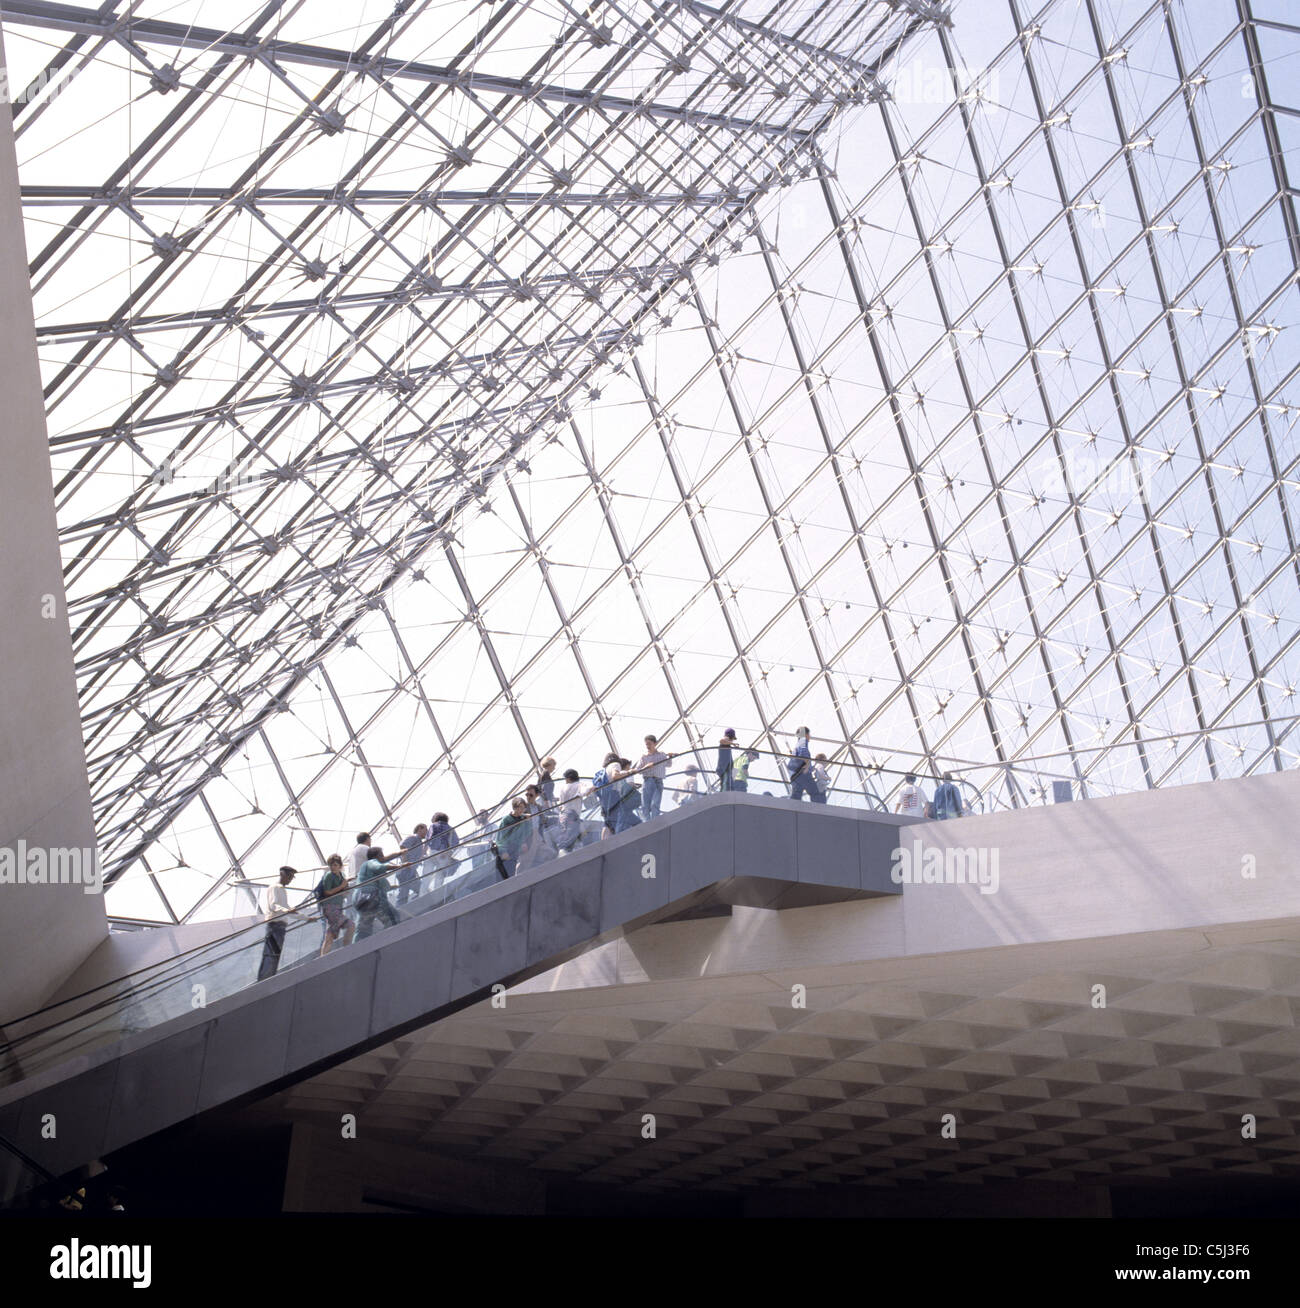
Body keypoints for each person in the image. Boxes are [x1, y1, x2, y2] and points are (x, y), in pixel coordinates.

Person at [257, 866, 299, 980]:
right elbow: (273, 905)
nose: (290, 879)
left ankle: (270, 978)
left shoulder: (282, 889)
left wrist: (305, 918)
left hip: (280, 926)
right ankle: (264, 979)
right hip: (274, 925)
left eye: (292, 877)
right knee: (270, 954)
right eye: (289, 876)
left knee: (275, 954)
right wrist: (287, 910)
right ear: (282, 874)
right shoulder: (274, 887)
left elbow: (285, 908)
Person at [354, 846, 401, 939]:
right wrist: (398, 866)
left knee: (363, 928)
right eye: (382, 856)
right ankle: (386, 939)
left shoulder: (368, 873)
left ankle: (356, 947)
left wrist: (392, 887)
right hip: (370, 897)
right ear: (376, 857)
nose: (383, 858)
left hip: (360, 899)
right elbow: (378, 867)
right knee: (393, 917)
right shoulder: (370, 863)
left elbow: (385, 886)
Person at [314, 854, 355, 956]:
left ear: (340, 865)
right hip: (330, 907)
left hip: (338, 907)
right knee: (351, 925)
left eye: (335, 865)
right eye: (331, 865)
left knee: (330, 935)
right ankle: (347, 949)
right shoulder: (329, 876)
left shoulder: (341, 876)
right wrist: (342, 886)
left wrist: (345, 887)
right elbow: (327, 892)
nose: (333, 867)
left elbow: (343, 892)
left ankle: (322, 957)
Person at [494, 798, 530, 876]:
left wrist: (528, 820)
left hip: (515, 852)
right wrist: (503, 852)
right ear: (514, 807)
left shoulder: (523, 818)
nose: (522, 810)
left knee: (513, 874)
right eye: (520, 807)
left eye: (523, 808)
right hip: (505, 853)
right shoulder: (506, 820)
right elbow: (500, 838)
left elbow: (527, 832)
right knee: (504, 877)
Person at [637, 735, 670, 820]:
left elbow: (669, 764)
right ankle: (647, 824)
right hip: (648, 780)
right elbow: (638, 770)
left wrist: (670, 757)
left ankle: (654, 823)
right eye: (646, 744)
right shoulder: (644, 757)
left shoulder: (661, 755)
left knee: (655, 804)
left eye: (649, 744)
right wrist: (646, 767)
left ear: (655, 743)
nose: (647, 746)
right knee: (645, 805)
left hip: (658, 781)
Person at [590, 752, 622, 838]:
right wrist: (629, 773)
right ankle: (607, 842)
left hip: (603, 797)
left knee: (608, 821)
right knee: (613, 819)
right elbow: (615, 776)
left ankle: (605, 841)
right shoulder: (616, 764)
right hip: (613, 794)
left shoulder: (605, 769)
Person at [397, 822, 428, 906]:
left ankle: (403, 909)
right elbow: (402, 846)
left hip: (409, 871)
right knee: (420, 890)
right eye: (425, 829)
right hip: (406, 870)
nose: (427, 832)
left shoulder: (419, 842)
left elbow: (421, 855)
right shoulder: (413, 837)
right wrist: (406, 862)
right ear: (419, 829)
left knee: (404, 894)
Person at [787, 727, 822, 802]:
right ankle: (818, 809)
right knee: (815, 793)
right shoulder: (803, 744)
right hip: (803, 773)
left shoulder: (797, 745)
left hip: (795, 774)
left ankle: (792, 807)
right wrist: (806, 768)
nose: (810, 736)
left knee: (796, 794)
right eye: (809, 734)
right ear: (805, 735)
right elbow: (803, 755)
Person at [426, 812, 459, 886]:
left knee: (427, 874)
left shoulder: (433, 826)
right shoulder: (450, 828)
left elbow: (428, 839)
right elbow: (456, 842)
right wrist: (448, 853)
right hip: (444, 854)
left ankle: (424, 891)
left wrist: (425, 852)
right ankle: (437, 890)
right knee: (440, 874)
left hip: (432, 853)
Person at [556, 768, 585, 851]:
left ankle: (562, 853)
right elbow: (585, 791)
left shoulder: (563, 788)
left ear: (568, 778)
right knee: (574, 837)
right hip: (573, 815)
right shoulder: (579, 785)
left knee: (564, 836)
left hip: (563, 816)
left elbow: (560, 805)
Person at [611, 759, 642, 833]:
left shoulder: (618, 775)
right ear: (627, 765)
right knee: (624, 816)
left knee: (623, 815)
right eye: (629, 765)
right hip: (628, 799)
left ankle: (639, 825)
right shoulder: (627, 772)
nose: (630, 767)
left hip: (621, 800)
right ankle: (640, 826)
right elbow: (630, 784)